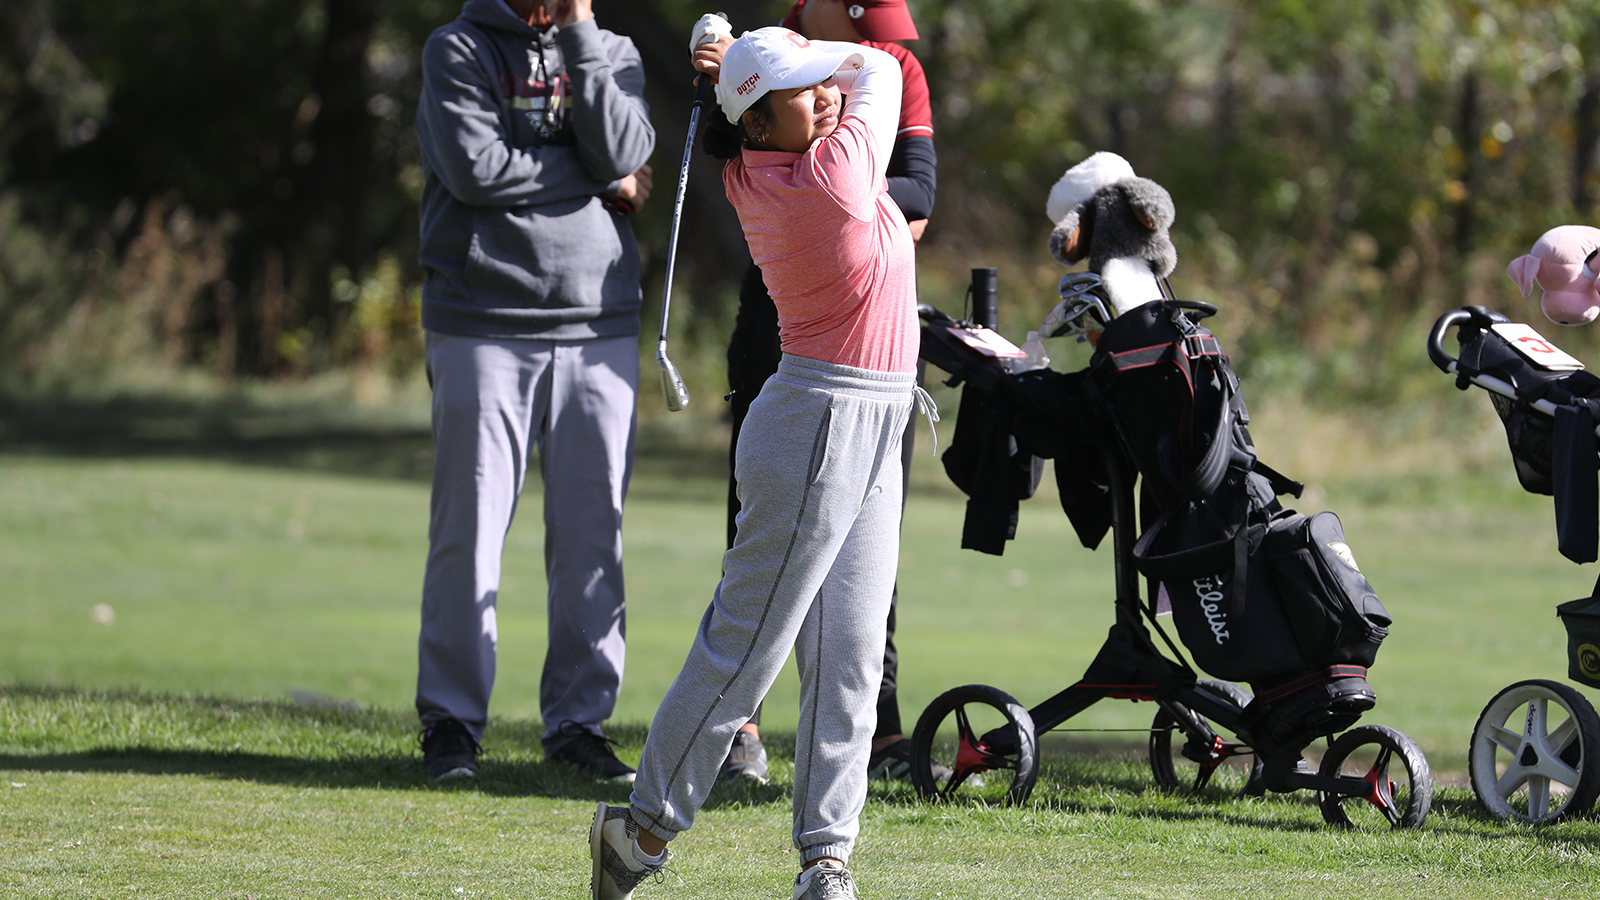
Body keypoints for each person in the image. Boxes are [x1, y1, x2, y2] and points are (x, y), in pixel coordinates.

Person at [587, 22, 929, 900]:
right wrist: (762, 55)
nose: (824, 95)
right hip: (818, 423)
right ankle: (641, 829)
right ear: (759, 125)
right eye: (801, 92)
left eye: (819, 86)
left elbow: (820, 90)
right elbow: (881, 66)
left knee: (851, 653)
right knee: (751, 647)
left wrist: (739, 65)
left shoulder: (759, 165)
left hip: (875, 418)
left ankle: (826, 859)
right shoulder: (830, 174)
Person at [411, 0, 654, 783]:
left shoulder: (609, 48)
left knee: (593, 538)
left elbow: (626, 144)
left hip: (599, 322)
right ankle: (451, 723)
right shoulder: (456, 48)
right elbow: (475, 172)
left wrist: (579, 35)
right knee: (469, 531)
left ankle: (578, 726)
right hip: (481, 315)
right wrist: (595, 179)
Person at [718, 0, 938, 786]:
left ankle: (866, 746)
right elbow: (750, 139)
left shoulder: (871, 79)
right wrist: (792, 76)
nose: (882, 44)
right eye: (868, 24)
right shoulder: (815, 91)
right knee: (763, 556)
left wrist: (778, 76)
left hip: (871, 350)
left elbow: (921, 191)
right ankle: (729, 735)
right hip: (795, 347)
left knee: (859, 573)